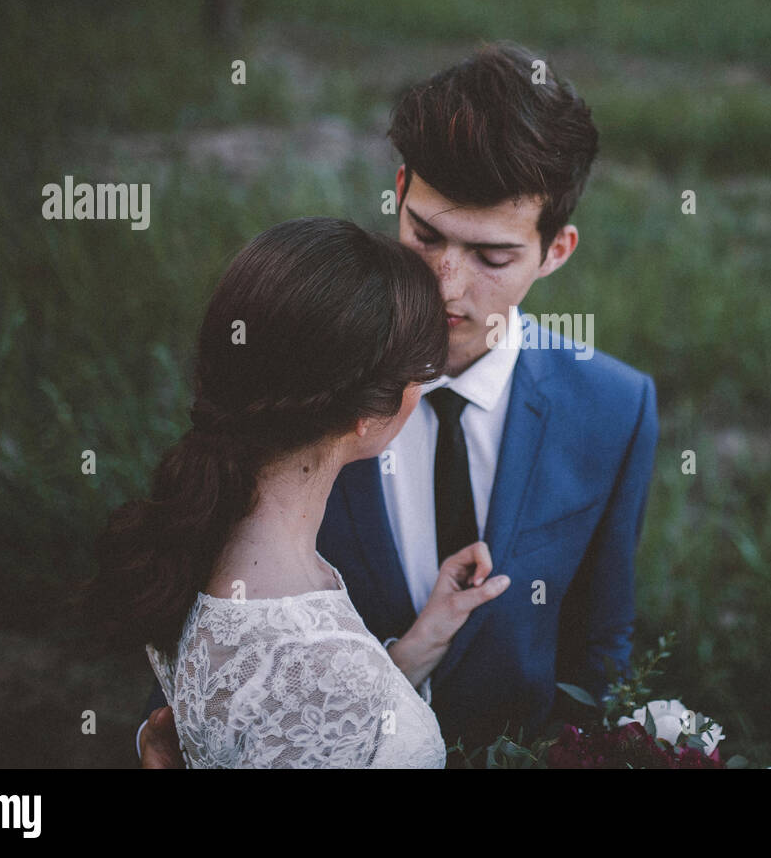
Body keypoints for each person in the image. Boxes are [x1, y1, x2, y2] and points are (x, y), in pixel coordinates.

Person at [138, 42, 659, 765]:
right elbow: (209, 612)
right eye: (426, 234)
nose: (446, 286)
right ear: (400, 188)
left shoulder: (616, 407)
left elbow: (601, 642)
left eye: (492, 257)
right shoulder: (303, 360)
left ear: (557, 250)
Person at [92, 217, 510, 767]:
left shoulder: (200, 540)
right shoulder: (330, 668)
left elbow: (290, 719)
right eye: (421, 372)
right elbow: (319, 698)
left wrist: (410, 652)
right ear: (366, 414)